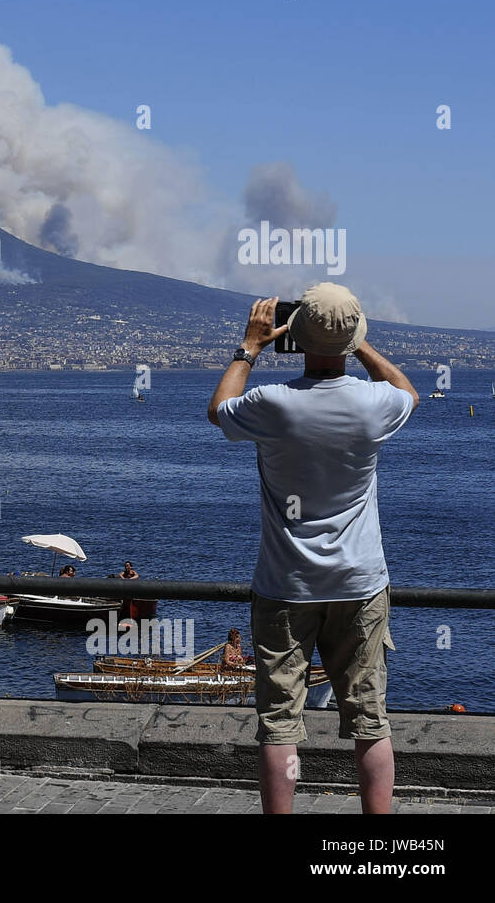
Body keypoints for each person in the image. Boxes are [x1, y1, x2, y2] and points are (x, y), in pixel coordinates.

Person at [208, 287, 417, 814]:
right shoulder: (375, 405)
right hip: (360, 583)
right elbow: (406, 391)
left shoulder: (273, 403)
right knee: (371, 721)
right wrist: (358, 343)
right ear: (353, 338)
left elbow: (219, 410)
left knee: (280, 724)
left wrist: (249, 348)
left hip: (285, 586)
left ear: (294, 335)